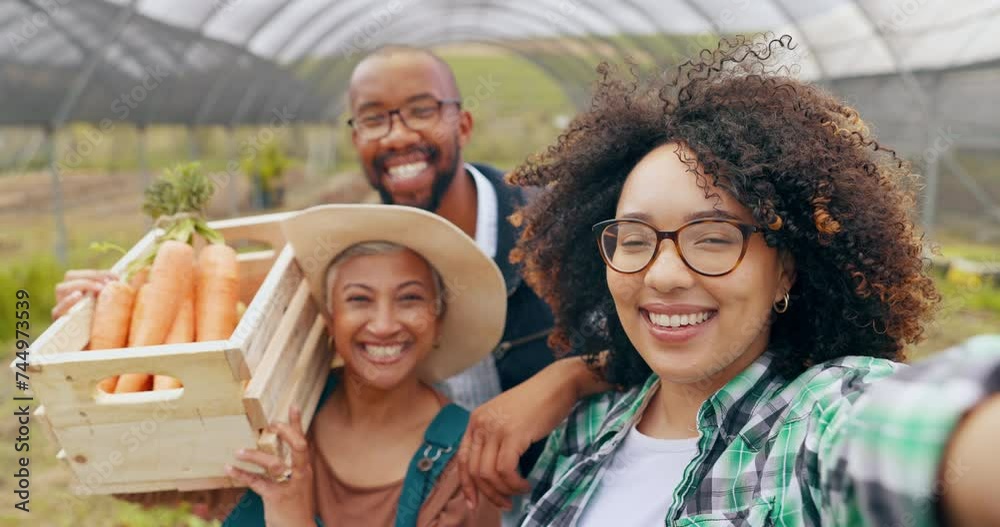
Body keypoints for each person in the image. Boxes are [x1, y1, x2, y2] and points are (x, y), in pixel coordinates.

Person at [458, 35, 1000, 526]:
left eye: (713, 237)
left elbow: (918, 436)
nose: (663, 274)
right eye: (634, 238)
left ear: (785, 268)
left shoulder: (812, 425)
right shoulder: (580, 430)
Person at [52, 45, 560, 484]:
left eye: (420, 110)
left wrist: (556, 384)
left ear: (463, 123)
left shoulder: (554, 233)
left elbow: (627, 360)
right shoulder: (349, 264)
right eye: (373, 118)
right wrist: (105, 323)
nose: (396, 135)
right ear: (355, 139)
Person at [120, 204, 505, 526]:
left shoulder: (465, 462)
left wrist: (294, 516)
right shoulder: (272, 405)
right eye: (359, 299)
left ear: (437, 321)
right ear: (329, 317)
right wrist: (110, 313)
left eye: (410, 298)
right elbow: (136, 480)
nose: (385, 325)